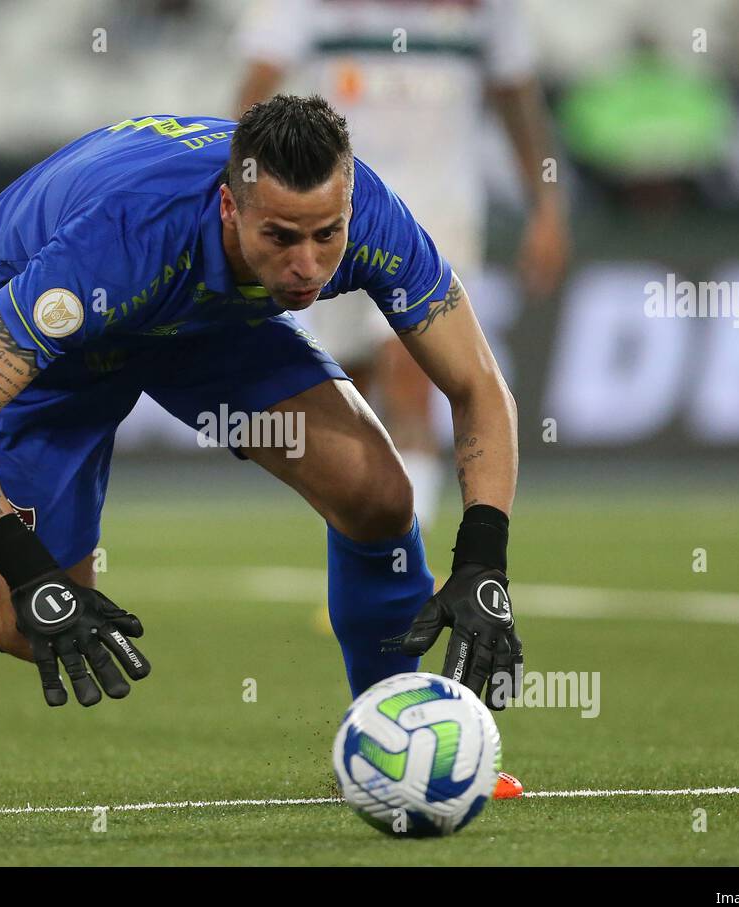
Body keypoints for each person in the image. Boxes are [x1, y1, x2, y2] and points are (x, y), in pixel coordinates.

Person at [0, 96, 524, 796]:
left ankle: (401, 743)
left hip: (200, 321)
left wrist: (484, 557)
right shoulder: (124, 236)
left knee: (378, 493)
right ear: (231, 208)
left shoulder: (369, 218)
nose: (306, 266)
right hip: (52, 325)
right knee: (29, 624)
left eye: (326, 235)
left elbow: (479, 387)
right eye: (281, 238)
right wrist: (26, 567)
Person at [235, 0, 569, 526]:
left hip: (438, 211)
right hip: (331, 211)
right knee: (346, 390)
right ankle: (361, 552)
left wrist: (546, 205)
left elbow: (517, 100)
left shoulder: (486, 8)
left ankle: (404, 564)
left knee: (413, 374)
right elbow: (255, 92)